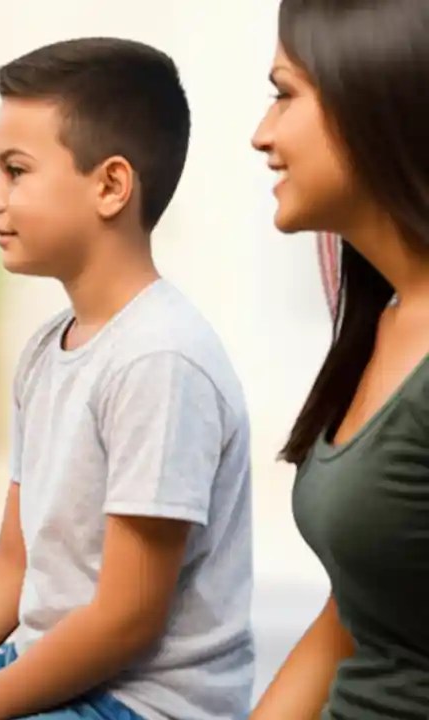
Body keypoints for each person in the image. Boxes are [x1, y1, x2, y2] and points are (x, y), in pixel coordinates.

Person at [0, 37, 254, 720]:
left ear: (110, 186)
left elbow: (125, 621)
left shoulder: (160, 360)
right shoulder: (49, 352)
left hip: (142, 704)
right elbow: (14, 565)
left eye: (16, 171)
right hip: (57, 670)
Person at [250, 1, 429, 717]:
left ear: (376, 94)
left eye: (285, 93)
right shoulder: (384, 323)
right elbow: (357, 615)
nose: (262, 134)